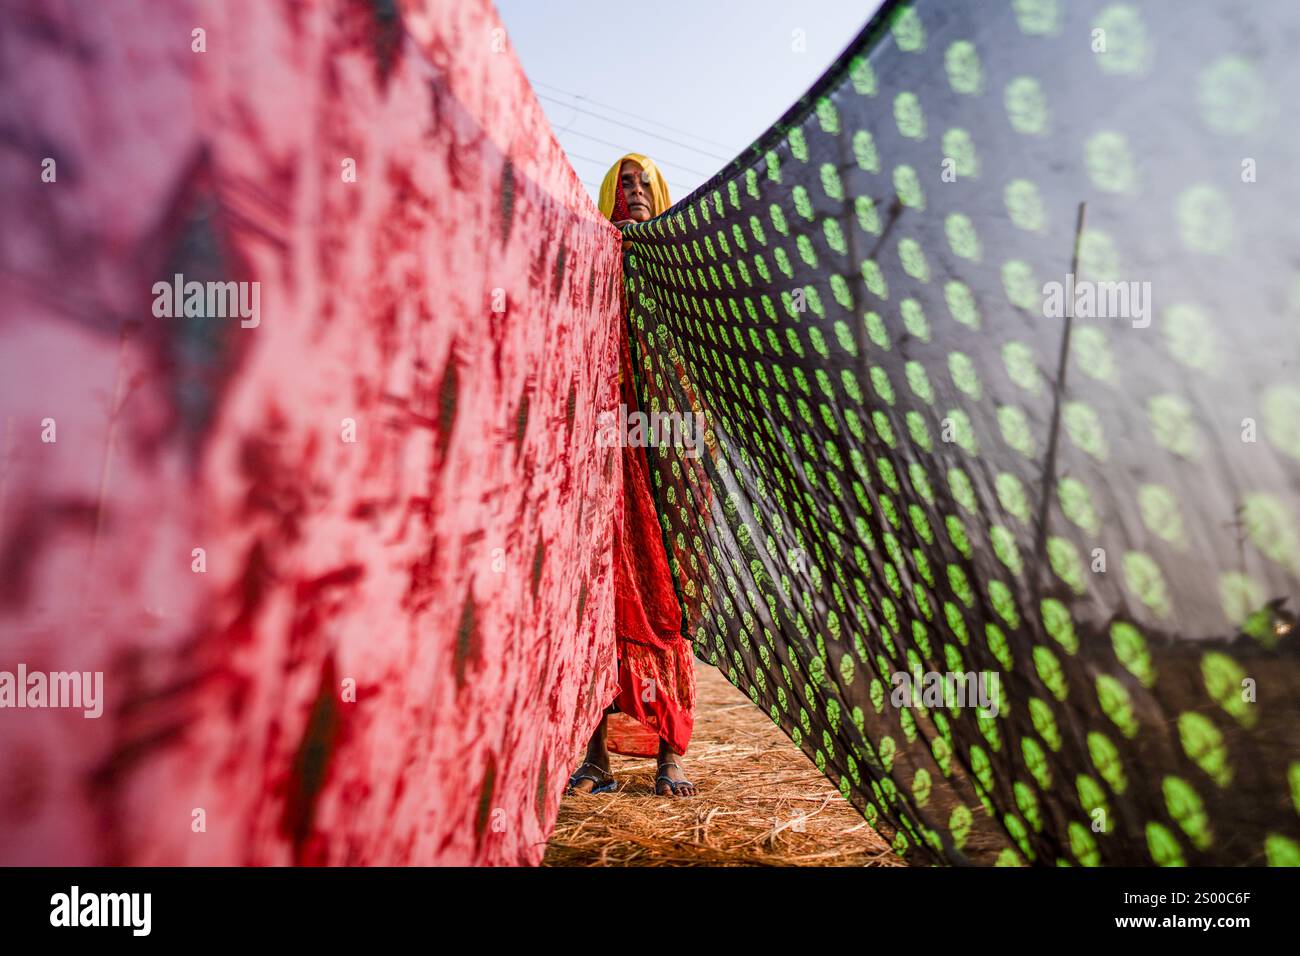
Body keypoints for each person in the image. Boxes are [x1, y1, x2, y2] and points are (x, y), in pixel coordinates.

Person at [567, 154, 698, 798]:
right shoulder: (591, 267)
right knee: (594, 600)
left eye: (646, 183)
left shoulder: (679, 272)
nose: (636, 192)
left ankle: (670, 756)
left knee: (664, 602)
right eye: (625, 184)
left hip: (665, 462)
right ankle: (595, 759)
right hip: (600, 457)